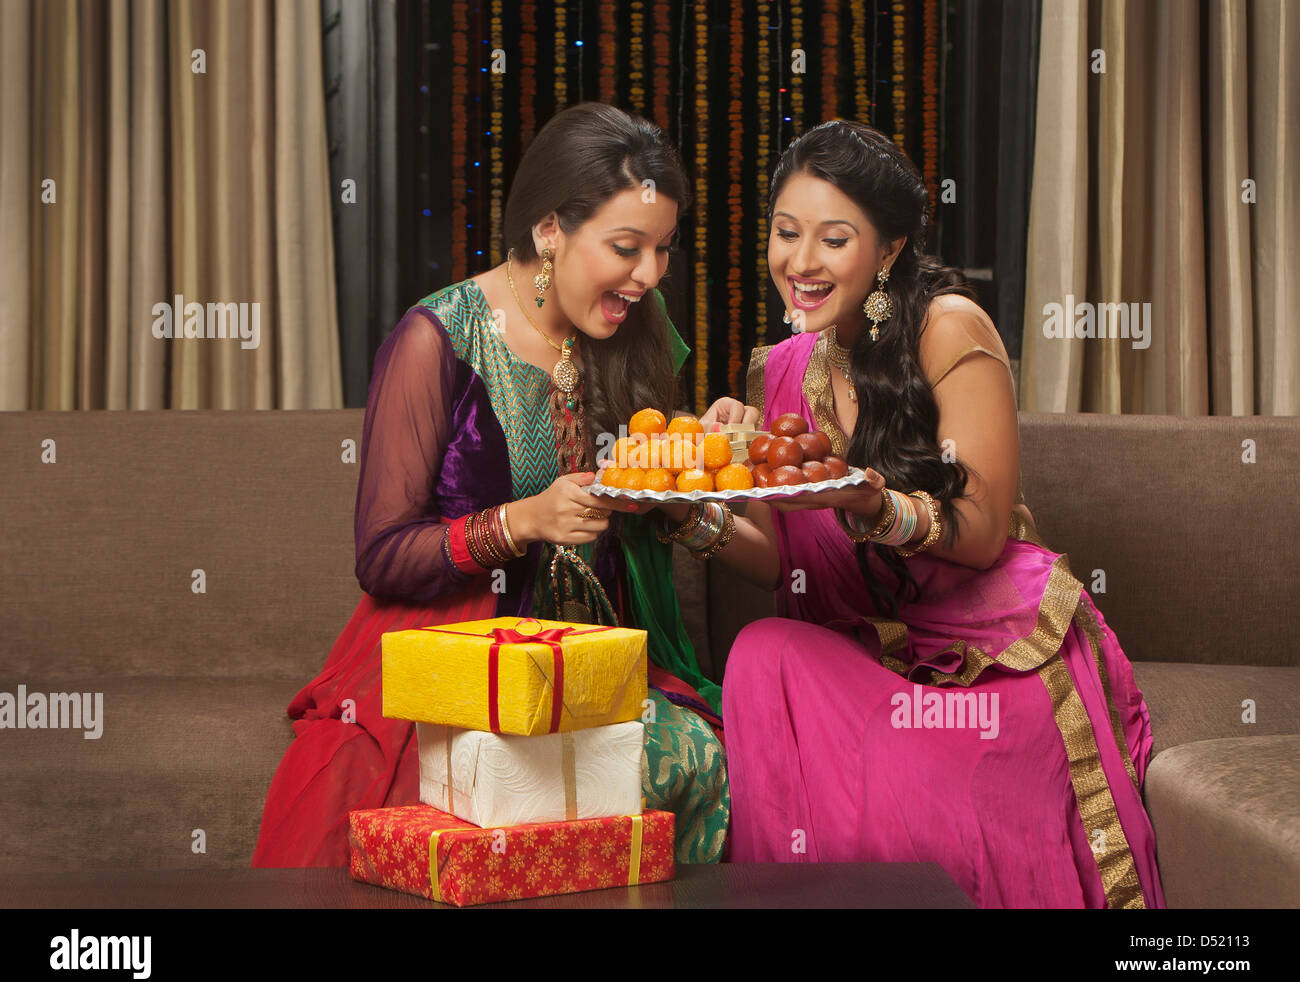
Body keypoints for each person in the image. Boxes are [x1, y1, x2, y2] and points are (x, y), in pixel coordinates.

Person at [650, 121, 1165, 907]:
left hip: (987, 658)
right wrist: (694, 509)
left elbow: (985, 525)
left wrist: (872, 501)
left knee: (899, 760)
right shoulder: (781, 369)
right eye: (786, 234)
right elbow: (783, 557)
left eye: (833, 239)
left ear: (888, 250)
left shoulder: (949, 330)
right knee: (759, 653)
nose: (801, 262)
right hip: (864, 650)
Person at [252, 103, 738, 868]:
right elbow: (381, 555)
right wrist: (520, 521)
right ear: (550, 230)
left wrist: (695, 450)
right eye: (626, 247)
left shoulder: (631, 324)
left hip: (598, 660)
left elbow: (655, 484)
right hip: (465, 653)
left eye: (662, 250)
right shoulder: (436, 339)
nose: (648, 275)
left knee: (691, 755)